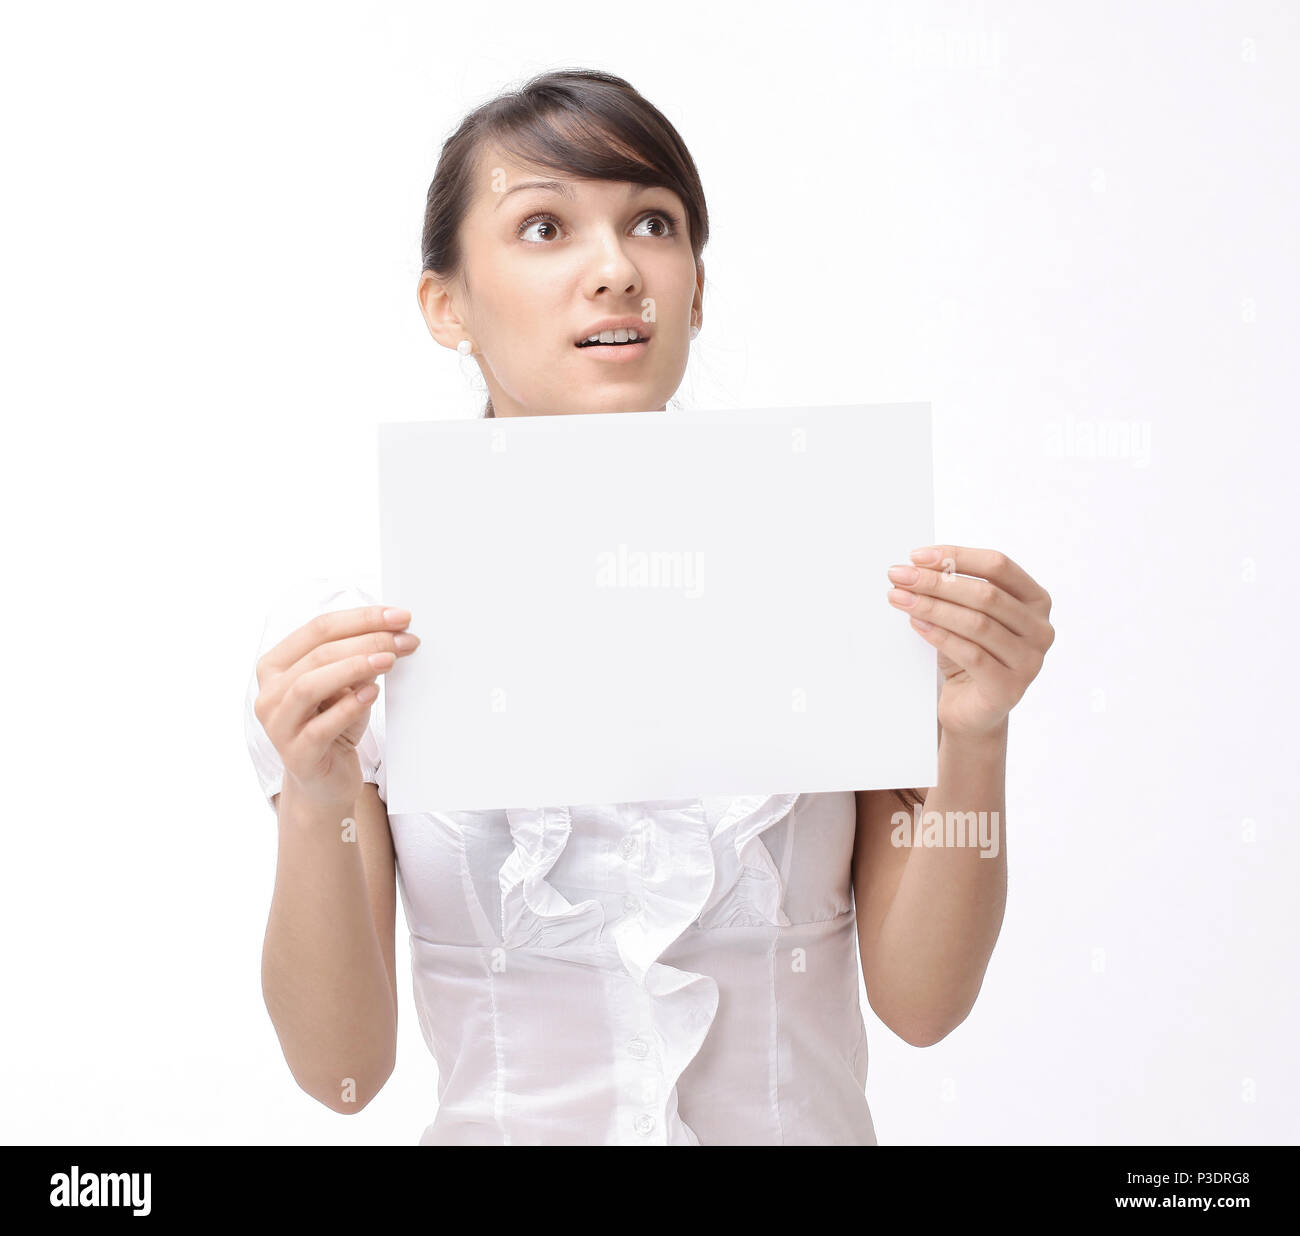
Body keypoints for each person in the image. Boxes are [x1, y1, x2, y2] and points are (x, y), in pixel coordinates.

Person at [244, 68, 1055, 1145]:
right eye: (544, 227)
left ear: (698, 292)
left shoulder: (840, 575)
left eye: (652, 225)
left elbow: (923, 1006)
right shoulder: (357, 646)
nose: (616, 269)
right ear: (447, 306)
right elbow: (339, 1072)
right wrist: (314, 792)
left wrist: (974, 736)